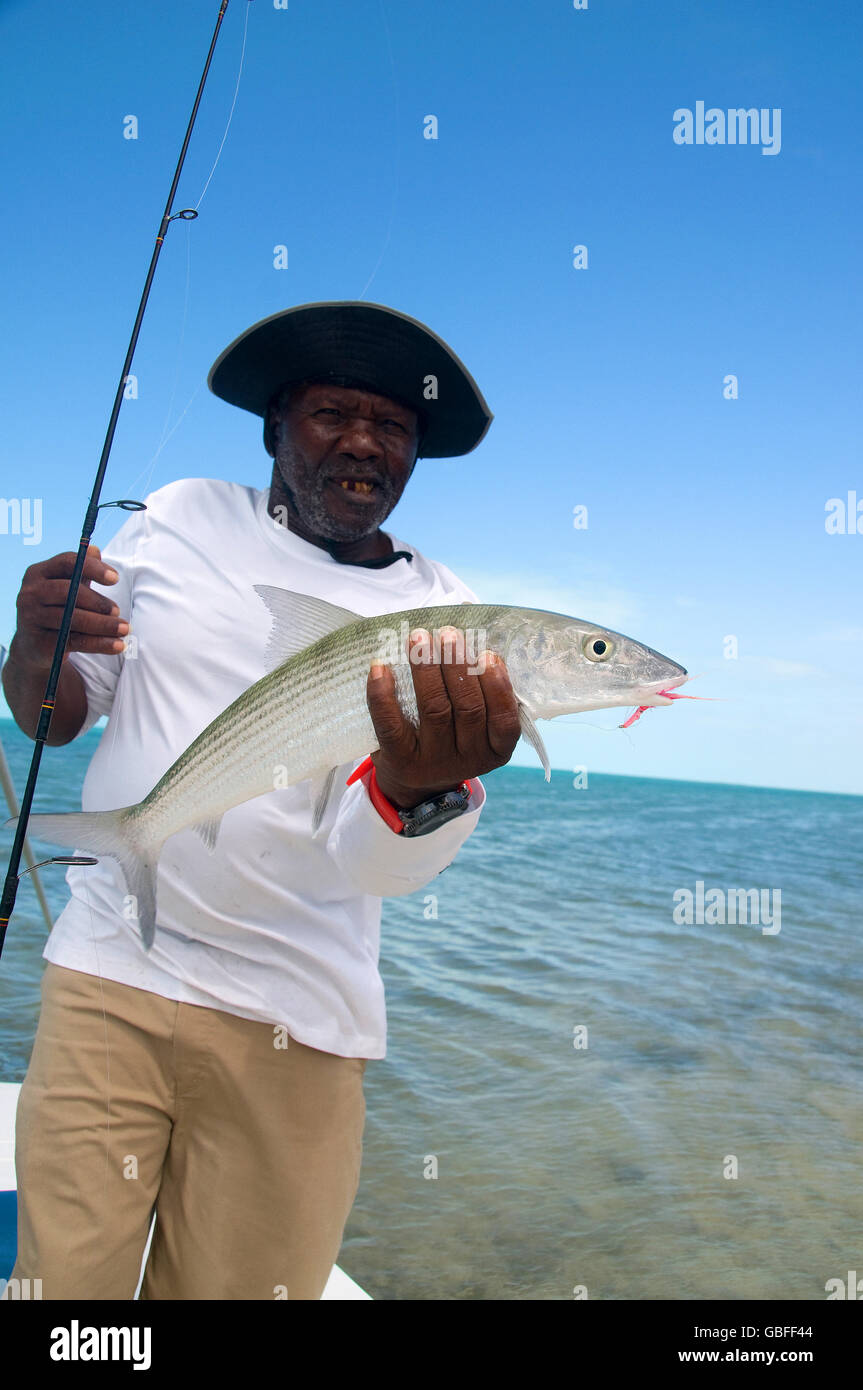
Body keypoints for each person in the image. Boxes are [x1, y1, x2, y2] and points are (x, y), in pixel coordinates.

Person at [1, 301, 522, 1300]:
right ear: (273, 428)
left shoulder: (442, 618)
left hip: (301, 1017)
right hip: (111, 971)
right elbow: (56, 716)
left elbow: (369, 866)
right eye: (332, 412)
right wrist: (32, 648)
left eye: (395, 427)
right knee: (66, 1299)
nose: (364, 442)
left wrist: (419, 790)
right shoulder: (179, 517)